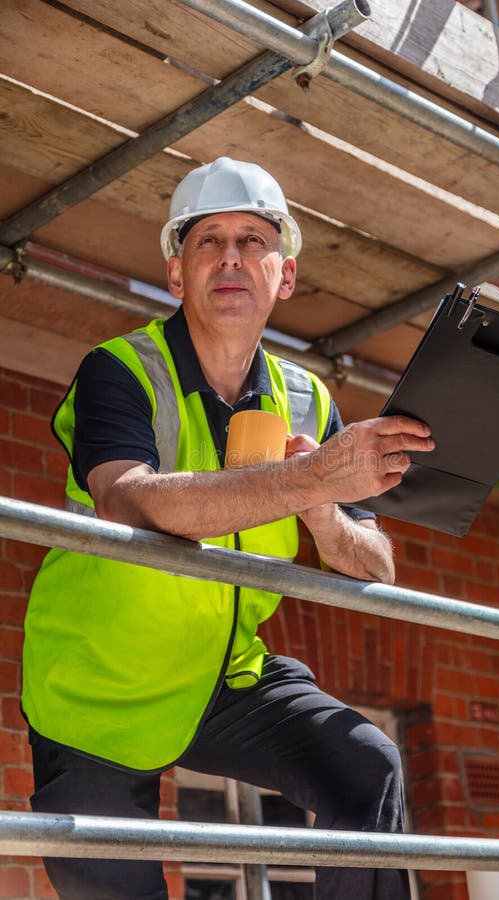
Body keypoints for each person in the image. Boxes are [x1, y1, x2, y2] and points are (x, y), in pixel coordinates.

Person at [22, 157, 435, 899]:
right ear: (177, 275)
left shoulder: (307, 397)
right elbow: (130, 502)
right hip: (99, 684)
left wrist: (321, 505)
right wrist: (312, 477)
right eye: (207, 240)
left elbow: (376, 567)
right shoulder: (120, 369)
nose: (231, 257)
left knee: (365, 761)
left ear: (286, 276)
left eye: (253, 238)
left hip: (224, 675)